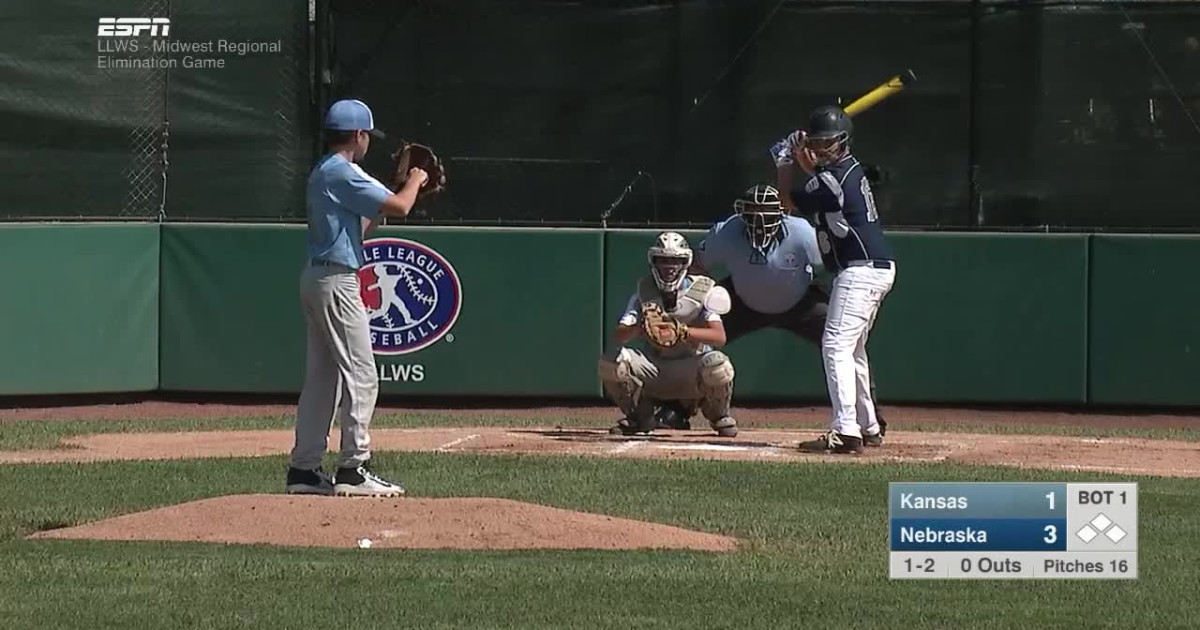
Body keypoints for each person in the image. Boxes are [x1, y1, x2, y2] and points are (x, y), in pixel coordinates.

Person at [654, 184, 886, 447]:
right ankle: (675, 408)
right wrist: (698, 299)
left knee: (845, 345)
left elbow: (828, 266)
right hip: (740, 301)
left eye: (765, 215)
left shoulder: (801, 232)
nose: (759, 222)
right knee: (693, 336)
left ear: (781, 214)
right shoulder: (728, 231)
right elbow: (698, 263)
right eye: (752, 215)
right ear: (742, 215)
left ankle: (870, 421)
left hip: (800, 303)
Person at [285, 98, 430, 496]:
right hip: (337, 282)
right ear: (358, 135)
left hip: (319, 277)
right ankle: (353, 468)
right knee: (362, 374)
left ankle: (304, 471)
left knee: (322, 380)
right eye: (367, 135)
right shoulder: (344, 172)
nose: (369, 142)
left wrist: (400, 187)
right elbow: (401, 207)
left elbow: (364, 224)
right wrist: (414, 181)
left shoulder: (327, 171)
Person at [789, 105, 896, 455]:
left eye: (828, 143)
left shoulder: (834, 178)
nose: (821, 149)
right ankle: (868, 424)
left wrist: (792, 164)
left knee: (834, 345)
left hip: (861, 270)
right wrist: (791, 164)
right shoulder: (842, 171)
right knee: (852, 349)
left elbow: (797, 196)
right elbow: (800, 197)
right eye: (817, 143)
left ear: (843, 141)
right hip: (870, 269)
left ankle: (846, 429)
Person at [598, 232, 738, 437]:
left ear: (686, 263)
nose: (669, 267)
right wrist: (640, 328)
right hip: (654, 368)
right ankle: (640, 417)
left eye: (675, 261)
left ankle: (718, 415)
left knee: (718, 364)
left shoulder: (702, 289)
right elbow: (619, 335)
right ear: (653, 262)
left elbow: (719, 337)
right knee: (610, 361)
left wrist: (682, 331)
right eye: (663, 260)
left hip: (690, 369)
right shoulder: (644, 291)